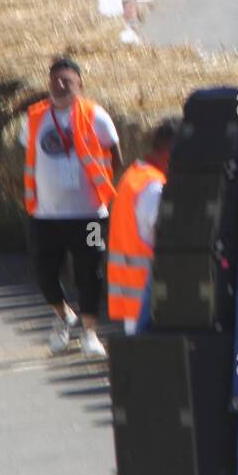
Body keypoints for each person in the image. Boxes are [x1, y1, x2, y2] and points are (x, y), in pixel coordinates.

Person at [20, 57, 122, 358]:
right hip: (46, 215)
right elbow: (27, 157)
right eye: (55, 80)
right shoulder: (35, 119)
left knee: (89, 272)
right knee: (44, 272)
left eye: (67, 81)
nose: (60, 85)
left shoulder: (95, 115)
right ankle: (64, 316)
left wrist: (100, 188)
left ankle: (90, 333)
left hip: (89, 215)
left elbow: (115, 154)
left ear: (80, 85)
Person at [107, 117, 178, 334]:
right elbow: (170, 241)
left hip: (135, 298)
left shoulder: (134, 176)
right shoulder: (155, 188)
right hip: (151, 302)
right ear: (171, 152)